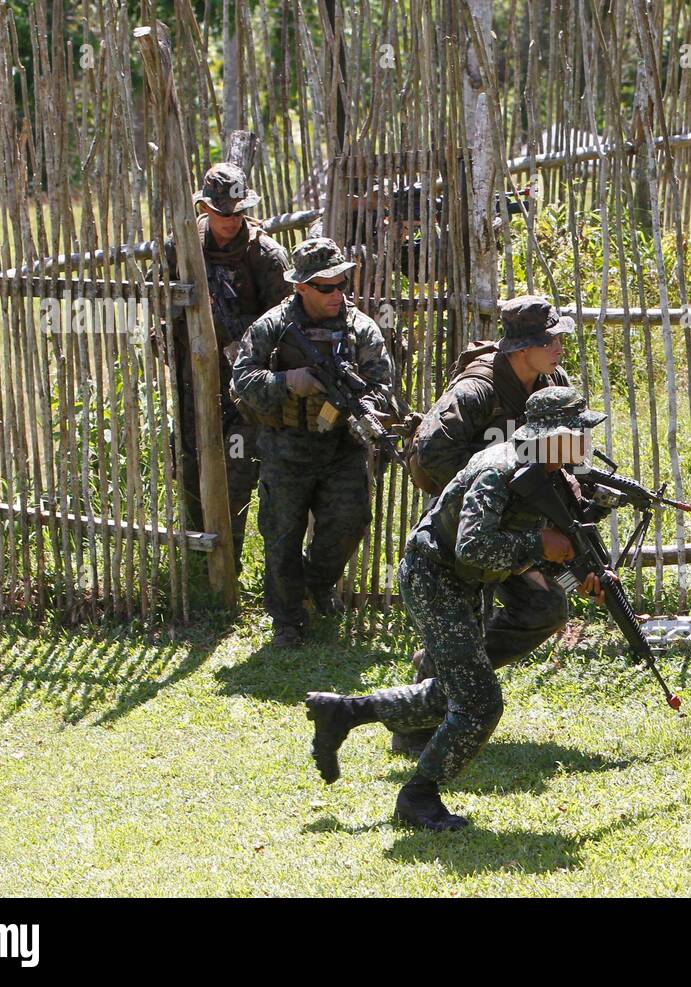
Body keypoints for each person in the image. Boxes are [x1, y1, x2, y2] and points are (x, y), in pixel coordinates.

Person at [304, 386, 607, 831]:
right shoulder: (498, 470)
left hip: (467, 585)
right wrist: (537, 543)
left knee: (454, 690)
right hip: (435, 577)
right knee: (480, 702)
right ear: (550, 435)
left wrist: (578, 579)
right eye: (578, 433)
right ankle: (417, 797)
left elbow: (547, 553)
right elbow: (472, 546)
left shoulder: (553, 474)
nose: (586, 442)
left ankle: (345, 712)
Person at [389, 294, 575, 757]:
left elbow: (566, 453)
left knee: (546, 608)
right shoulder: (475, 391)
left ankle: (448, 667)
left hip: (520, 529)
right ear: (518, 347)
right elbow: (430, 455)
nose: (558, 345)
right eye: (547, 338)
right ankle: (416, 723)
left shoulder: (553, 382)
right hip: (465, 529)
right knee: (460, 617)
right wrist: (486, 497)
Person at [230, 237, 396, 646]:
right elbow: (242, 378)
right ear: (300, 287)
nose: (337, 293)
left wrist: (366, 412)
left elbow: (382, 383)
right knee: (281, 533)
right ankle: (287, 619)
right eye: (327, 286)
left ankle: (316, 585)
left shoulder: (361, 328)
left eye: (342, 283)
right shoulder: (273, 325)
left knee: (350, 522)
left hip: (341, 448)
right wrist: (289, 382)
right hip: (285, 447)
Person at [165, 163, 290, 569]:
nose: (231, 221)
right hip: (193, 377)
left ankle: (228, 560)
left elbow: (285, 322)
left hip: (243, 384)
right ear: (204, 207)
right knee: (188, 462)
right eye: (223, 214)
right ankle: (200, 557)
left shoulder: (266, 256)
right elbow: (162, 300)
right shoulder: (180, 247)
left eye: (238, 212)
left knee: (238, 467)